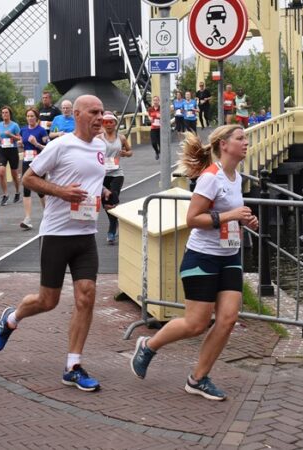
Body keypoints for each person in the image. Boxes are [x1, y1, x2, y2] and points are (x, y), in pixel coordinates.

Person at [129, 124, 259, 401]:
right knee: (195, 324)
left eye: (246, 138)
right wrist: (229, 216)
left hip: (229, 257)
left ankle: (198, 378)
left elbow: (229, 214)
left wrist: (246, 220)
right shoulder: (211, 177)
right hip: (202, 258)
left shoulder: (235, 176)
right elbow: (192, 219)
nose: (246, 142)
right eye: (240, 138)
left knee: (228, 319)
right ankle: (148, 345)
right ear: (224, 145)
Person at [0, 94, 110, 392]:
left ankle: (73, 365)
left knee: (86, 295)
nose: (100, 117)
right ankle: (11, 319)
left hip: (85, 234)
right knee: (48, 301)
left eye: (102, 112)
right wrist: (61, 192)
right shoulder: (60, 145)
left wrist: (104, 192)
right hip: (57, 233)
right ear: (79, 115)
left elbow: (91, 177)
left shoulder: (100, 145)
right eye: (94, 112)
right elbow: (30, 179)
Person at [100, 111, 133, 244]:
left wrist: (125, 153)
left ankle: (112, 230)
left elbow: (130, 152)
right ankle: (115, 221)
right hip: (102, 175)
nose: (108, 125)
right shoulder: (98, 138)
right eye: (105, 122)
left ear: (115, 123)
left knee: (113, 197)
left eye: (111, 122)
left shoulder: (122, 138)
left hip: (117, 173)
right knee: (107, 204)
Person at [19, 107, 49, 230]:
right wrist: (20, 144)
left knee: (40, 190)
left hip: (39, 162)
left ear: (36, 117)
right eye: (28, 116)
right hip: (27, 161)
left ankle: (48, 214)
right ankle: (27, 218)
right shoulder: (23, 130)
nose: (30, 118)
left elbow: (48, 149)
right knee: (26, 188)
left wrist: (36, 144)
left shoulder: (41, 131)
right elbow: (23, 144)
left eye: (32, 116)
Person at [0, 105, 22, 206]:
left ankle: (17, 192)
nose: (4, 114)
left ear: (10, 114)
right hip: (3, 150)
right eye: (3, 113)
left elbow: (19, 138)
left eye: (6, 112)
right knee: (1, 172)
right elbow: (0, 135)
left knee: (14, 174)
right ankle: (5, 194)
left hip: (12, 150)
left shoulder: (14, 125)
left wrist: (11, 135)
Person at [149, 95, 162, 161]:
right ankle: (157, 152)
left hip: (160, 128)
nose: (155, 101)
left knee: (160, 143)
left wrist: (160, 117)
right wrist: (150, 119)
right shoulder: (150, 109)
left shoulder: (161, 108)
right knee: (153, 143)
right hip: (153, 128)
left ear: (159, 101)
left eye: (156, 100)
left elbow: (165, 117)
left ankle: (160, 152)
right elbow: (149, 116)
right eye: (154, 100)